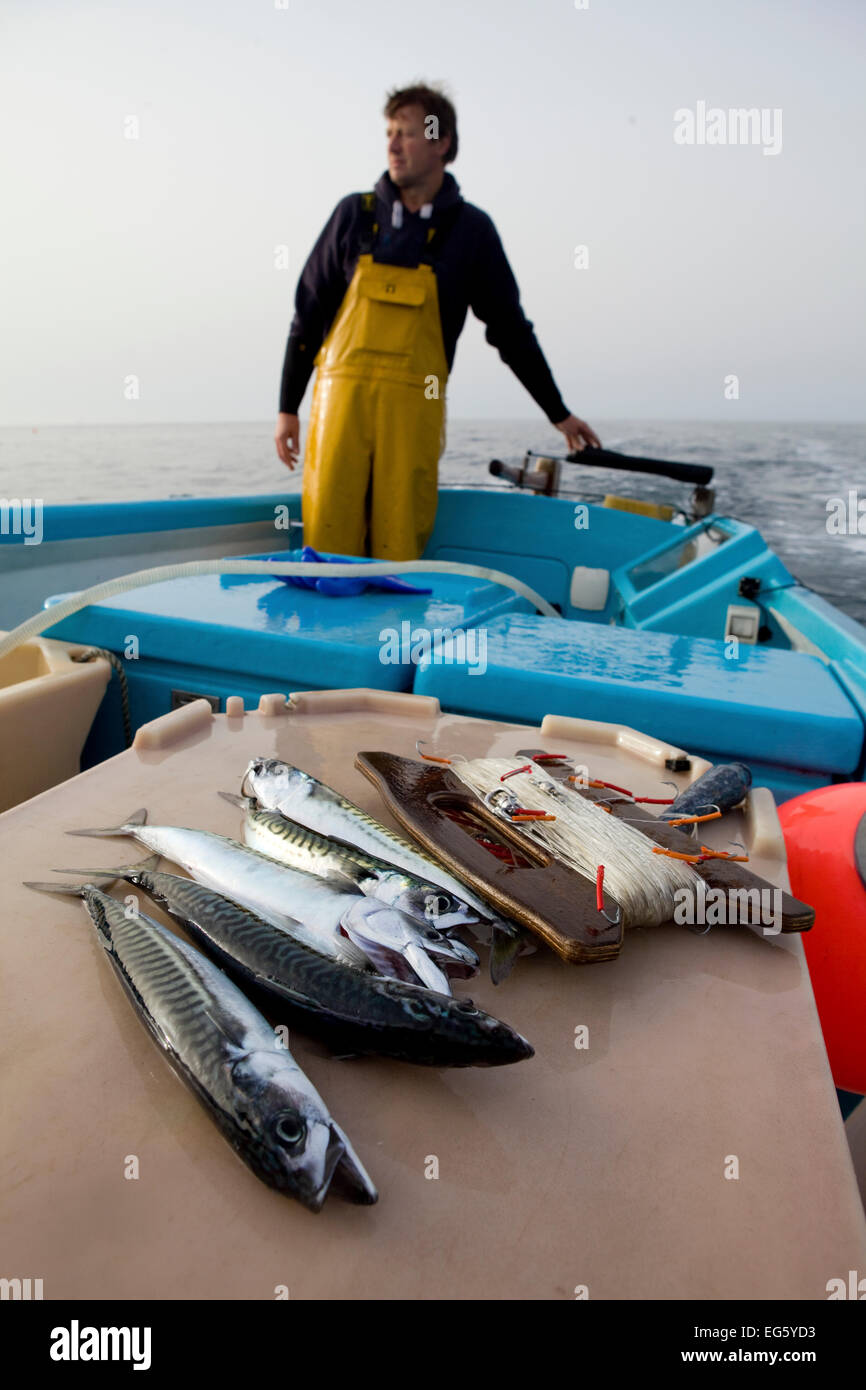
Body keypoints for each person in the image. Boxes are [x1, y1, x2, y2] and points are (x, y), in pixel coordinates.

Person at [274, 82, 600, 560]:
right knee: (326, 549)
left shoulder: (471, 232)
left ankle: (390, 634)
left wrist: (558, 412)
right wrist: (288, 406)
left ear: (441, 141)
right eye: (389, 132)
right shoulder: (353, 217)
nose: (392, 145)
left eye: (405, 133)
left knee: (398, 552)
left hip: (416, 412)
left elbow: (509, 330)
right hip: (338, 414)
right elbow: (307, 314)